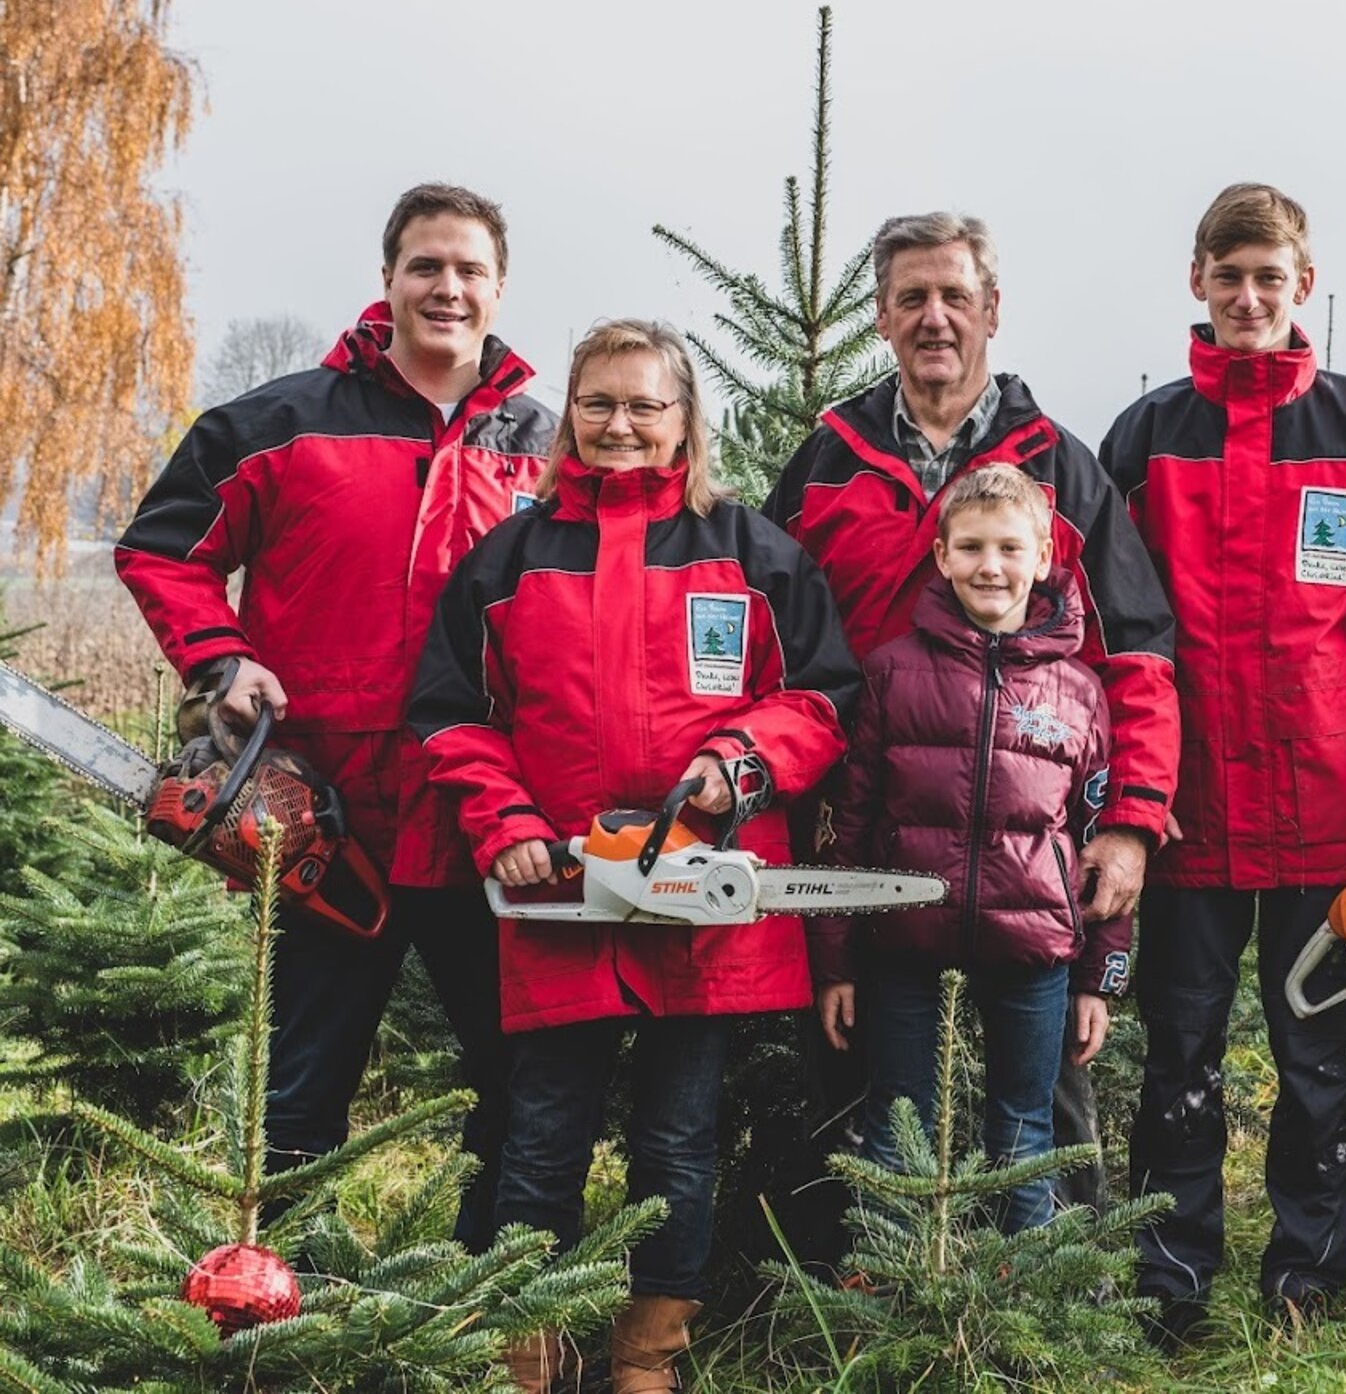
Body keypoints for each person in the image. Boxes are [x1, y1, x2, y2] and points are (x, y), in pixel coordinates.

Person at [407, 319, 858, 1393]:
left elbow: (821, 697)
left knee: (677, 1140)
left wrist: (737, 766)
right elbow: (449, 714)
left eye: (643, 406)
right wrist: (507, 822)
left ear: (681, 421)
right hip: (560, 892)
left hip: (698, 897)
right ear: (571, 416)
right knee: (542, 1135)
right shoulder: (510, 560)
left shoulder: (749, 552)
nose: (620, 425)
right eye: (599, 404)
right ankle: (533, 1352)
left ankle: (646, 1357)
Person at [115, 183, 550, 1250]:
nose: (447, 288)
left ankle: (489, 1299)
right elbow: (162, 550)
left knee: (519, 1084)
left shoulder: (550, 444)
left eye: (468, 270)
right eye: (425, 266)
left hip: (481, 817)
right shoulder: (278, 424)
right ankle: (284, 1309)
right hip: (323, 819)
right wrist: (220, 660)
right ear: (390, 278)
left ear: (500, 286)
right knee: (300, 1088)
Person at [765, 212, 1178, 1217]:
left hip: (1031, 850)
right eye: (911, 297)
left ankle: (1056, 1312)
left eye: (954, 295)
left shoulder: (1060, 468)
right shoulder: (827, 463)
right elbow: (762, 641)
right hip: (863, 833)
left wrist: (1128, 822)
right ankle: (847, 1291)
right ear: (880, 317)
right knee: (851, 1074)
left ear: (991, 310)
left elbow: (1139, 655)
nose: (934, 317)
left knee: (1040, 1099)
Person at [1098, 184, 1346, 1340]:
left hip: (1329, 808)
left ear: (1304, 287)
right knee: (1181, 1058)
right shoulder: (1147, 436)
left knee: (1320, 1062)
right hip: (1187, 812)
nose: (1248, 296)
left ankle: (1304, 1280)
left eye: (1270, 276)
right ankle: (1171, 1282)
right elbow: (1112, 632)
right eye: (1227, 274)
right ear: (1195, 283)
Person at [811, 463, 1129, 1232]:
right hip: (904, 945)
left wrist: (1100, 977)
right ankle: (891, 1304)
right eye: (973, 546)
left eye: (1011, 548)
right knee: (897, 1131)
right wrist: (836, 963)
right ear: (943, 556)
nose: (992, 565)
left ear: (1045, 556)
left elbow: (1096, 844)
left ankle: (1023, 1314)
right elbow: (847, 823)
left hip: (1035, 954)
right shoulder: (892, 671)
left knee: (1023, 1134)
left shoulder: (1077, 691)